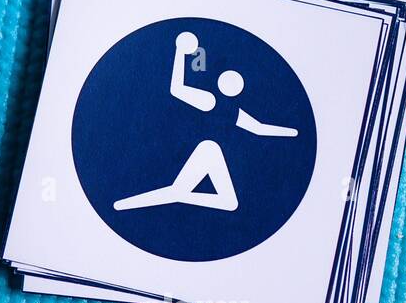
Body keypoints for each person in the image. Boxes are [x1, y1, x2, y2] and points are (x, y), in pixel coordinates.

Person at [113, 31, 297, 213]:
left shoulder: (233, 110)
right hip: (208, 150)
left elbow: (259, 129)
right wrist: (180, 53)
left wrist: (291, 132)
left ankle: (151, 201)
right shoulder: (210, 100)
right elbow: (177, 89)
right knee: (217, 200)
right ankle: (141, 202)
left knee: (226, 203)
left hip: (210, 152)